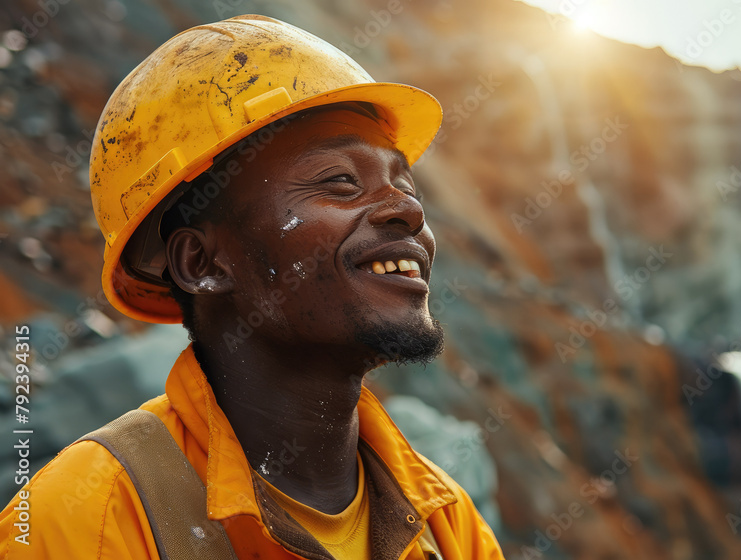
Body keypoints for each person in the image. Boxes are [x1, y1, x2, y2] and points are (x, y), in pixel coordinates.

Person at [0, 14, 505, 560]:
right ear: (202, 262)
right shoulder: (82, 526)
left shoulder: (449, 523)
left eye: (404, 184)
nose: (408, 209)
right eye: (340, 181)